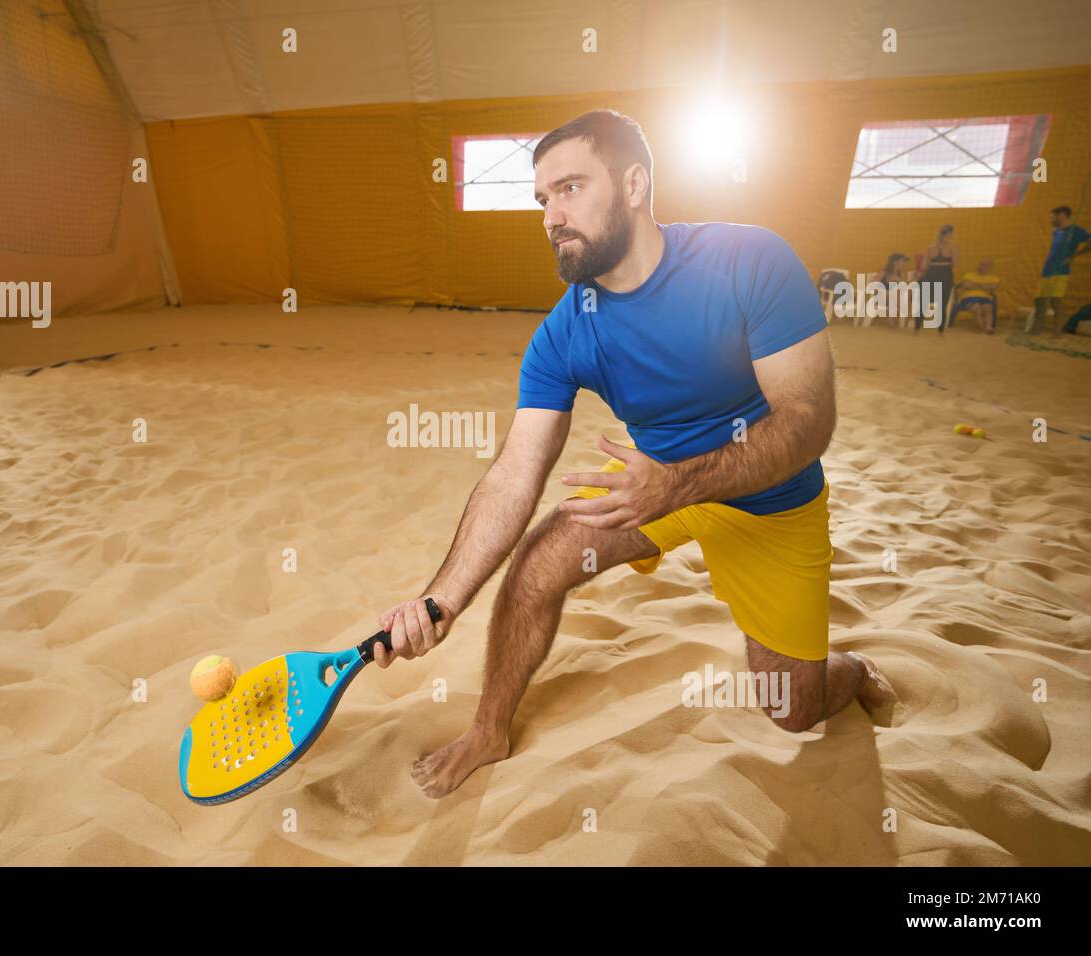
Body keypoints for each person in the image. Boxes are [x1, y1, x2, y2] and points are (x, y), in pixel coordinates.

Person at [372, 109, 896, 799]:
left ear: (634, 185)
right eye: (542, 199)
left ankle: (851, 671)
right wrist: (440, 602)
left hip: (770, 500)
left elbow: (808, 421)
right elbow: (515, 473)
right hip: (650, 486)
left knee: (792, 709)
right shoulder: (563, 333)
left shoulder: (749, 259)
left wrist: (678, 483)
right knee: (535, 569)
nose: (551, 217)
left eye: (570, 188)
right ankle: (489, 732)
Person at [1031, 205, 1091, 335]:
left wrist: (1073, 256)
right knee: (1039, 301)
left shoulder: (1075, 231)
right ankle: (1036, 330)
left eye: (1053, 217)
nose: (1051, 220)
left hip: (1060, 272)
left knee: (1055, 302)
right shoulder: (1056, 231)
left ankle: (1057, 332)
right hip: (1047, 270)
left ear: (1062, 215)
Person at [917, 225, 957, 334]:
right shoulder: (953, 247)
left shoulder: (930, 248)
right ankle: (941, 329)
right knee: (943, 302)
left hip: (932, 273)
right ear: (949, 233)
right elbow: (955, 263)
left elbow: (924, 265)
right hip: (945, 274)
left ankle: (917, 326)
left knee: (925, 301)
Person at [953, 258, 1001, 333]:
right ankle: (983, 329)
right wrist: (984, 286)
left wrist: (974, 284)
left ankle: (988, 327)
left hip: (985, 298)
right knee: (976, 307)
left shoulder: (993, 278)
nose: (982, 266)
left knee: (988, 307)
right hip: (969, 298)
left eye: (985, 265)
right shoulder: (969, 275)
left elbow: (992, 287)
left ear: (990, 267)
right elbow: (966, 285)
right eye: (981, 264)